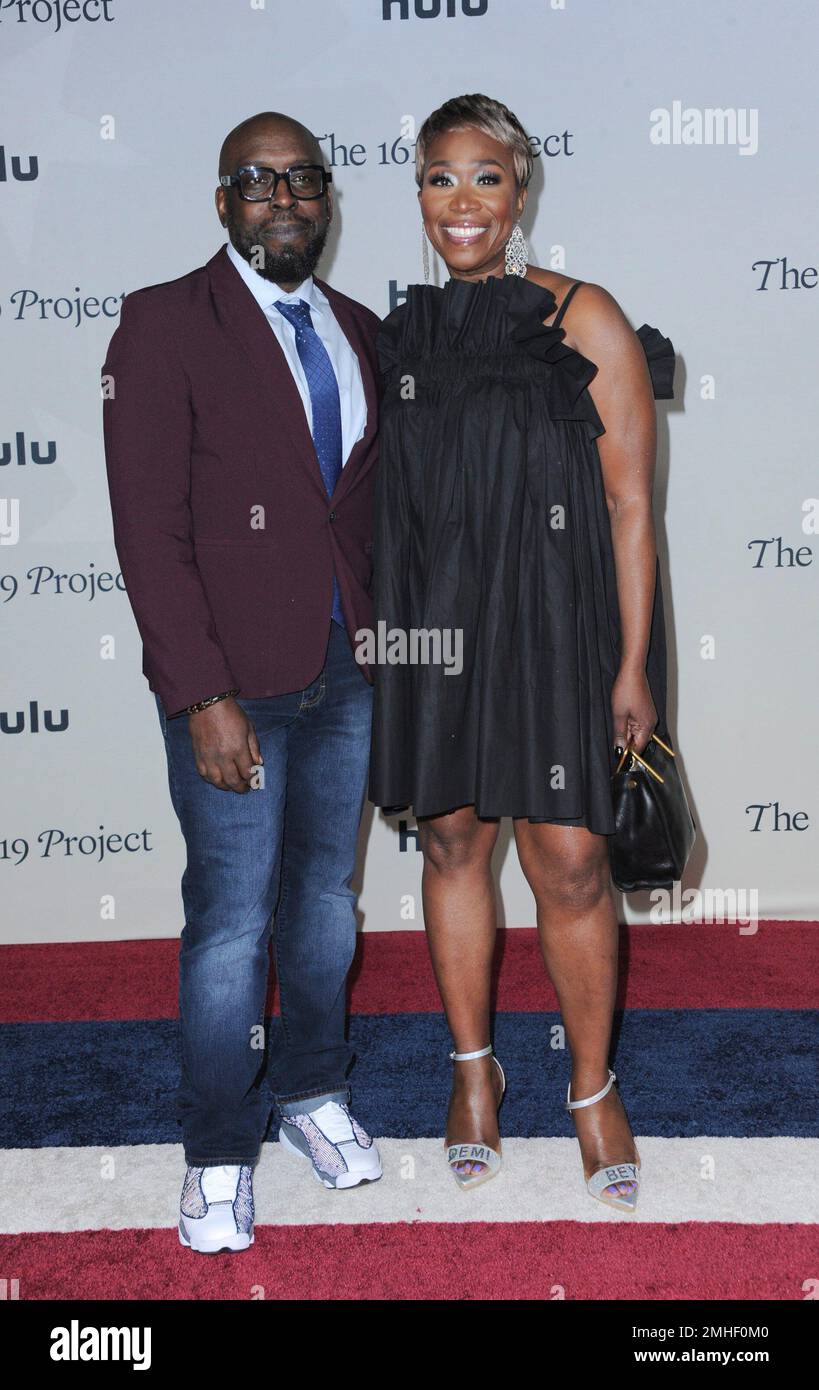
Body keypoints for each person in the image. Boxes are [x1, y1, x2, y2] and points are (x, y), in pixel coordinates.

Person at [368, 94, 675, 1210]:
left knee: (572, 863)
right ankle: (473, 1075)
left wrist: (632, 665)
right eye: (440, 178)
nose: (463, 202)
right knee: (451, 848)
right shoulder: (398, 335)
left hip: (557, 627)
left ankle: (592, 1089)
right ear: (417, 194)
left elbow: (633, 506)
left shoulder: (583, 317)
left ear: (521, 190)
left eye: (486, 177)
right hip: (439, 635)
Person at [102, 111, 383, 1255]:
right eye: (256, 181)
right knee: (228, 925)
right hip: (231, 685)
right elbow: (146, 530)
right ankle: (218, 1153)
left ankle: (313, 1093)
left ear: (327, 199)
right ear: (222, 202)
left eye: (303, 179)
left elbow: (369, 520)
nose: (283, 198)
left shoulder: (363, 330)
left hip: (349, 676)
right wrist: (200, 692)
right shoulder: (163, 324)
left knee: (323, 910)